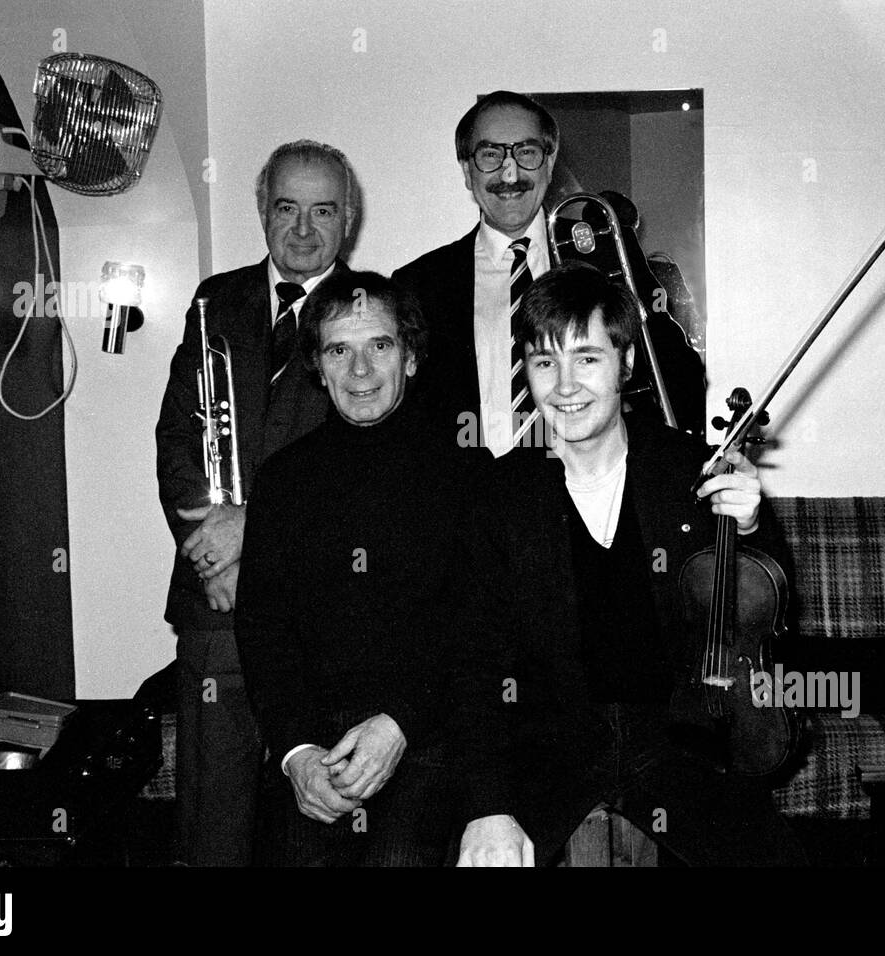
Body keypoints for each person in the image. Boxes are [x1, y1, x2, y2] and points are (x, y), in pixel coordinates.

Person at [452, 262, 804, 867]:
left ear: (627, 365)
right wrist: (488, 805)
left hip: (681, 745)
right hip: (551, 755)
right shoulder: (497, 493)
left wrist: (750, 528)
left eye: (587, 358)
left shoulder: (689, 470)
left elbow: (766, 614)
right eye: (544, 363)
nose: (565, 386)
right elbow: (471, 663)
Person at [154, 139, 358, 866]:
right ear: (262, 210)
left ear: (348, 217)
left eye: (323, 210)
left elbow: (363, 466)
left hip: (324, 610)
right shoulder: (216, 300)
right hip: (216, 603)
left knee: (321, 824)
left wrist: (253, 532)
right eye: (287, 208)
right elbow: (178, 438)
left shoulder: (372, 310)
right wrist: (212, 553)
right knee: (215, 820)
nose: (303, 229)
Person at [234, 271, 466, 866]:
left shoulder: (465, 475)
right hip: (313, 747)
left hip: (426, 740)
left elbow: (472, 625)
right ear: (317, 364)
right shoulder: (284, 480)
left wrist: (399, 725)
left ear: (410, 358)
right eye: (340, 349)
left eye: (379, 347)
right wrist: (296, 752)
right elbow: (262, 628)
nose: (360, 372)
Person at [393, 90, 704, 454]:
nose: (510, 174)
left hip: (588, 495)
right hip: (467, 500)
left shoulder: (605, 256)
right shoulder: (418, 283)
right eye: (490, 155)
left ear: (550, 160)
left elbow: (680, 383)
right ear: (466, 170)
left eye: (526, 152)